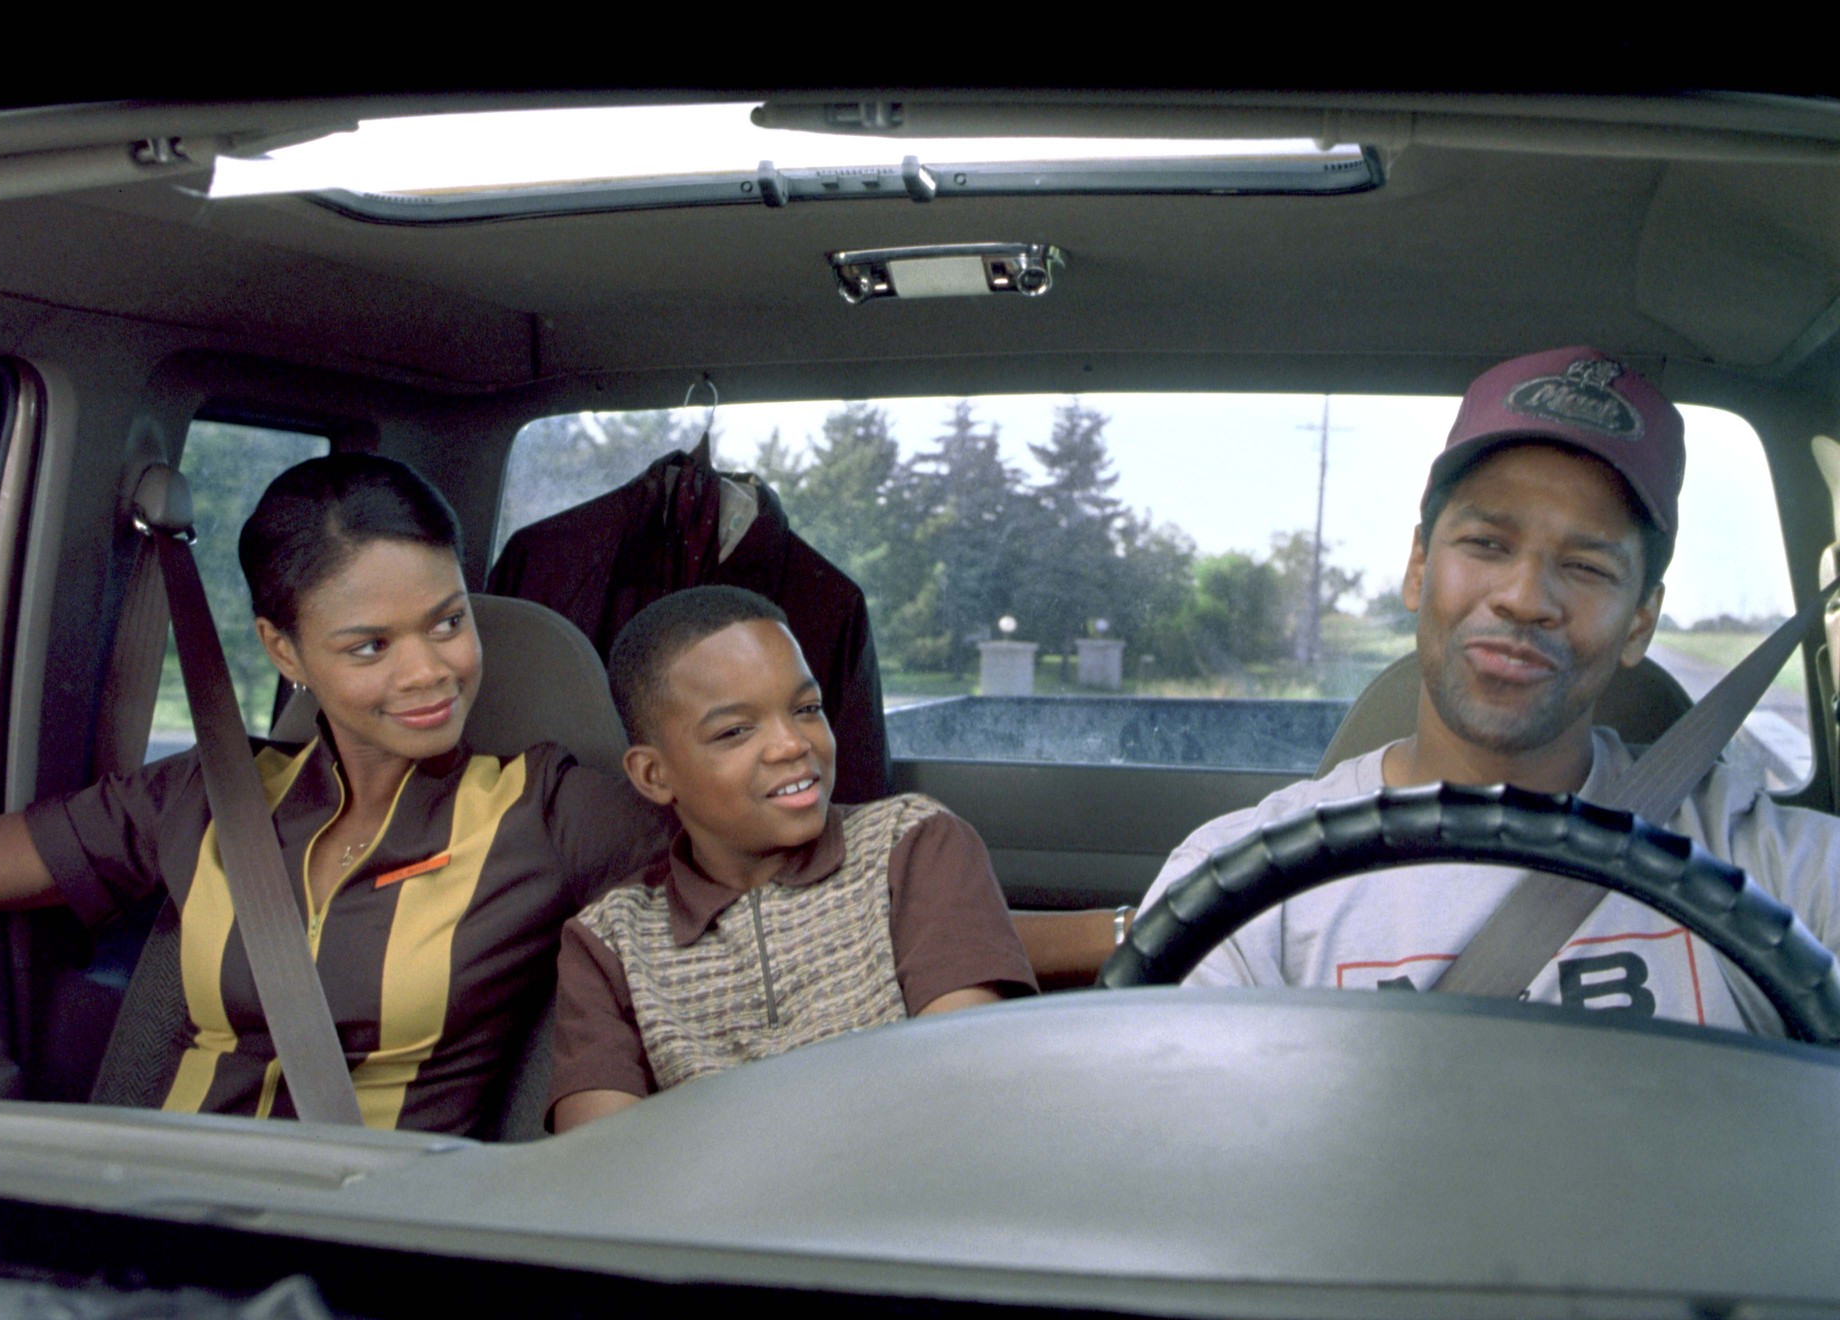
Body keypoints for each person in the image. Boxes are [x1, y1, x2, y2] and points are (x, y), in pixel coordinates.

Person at [0, 454, 669, 1132]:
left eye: (447, 622)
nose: (430, 671)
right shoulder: (209, 797)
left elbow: (774, 857)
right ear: (285, 652)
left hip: (360, 1261)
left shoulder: (547, 810)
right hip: (145, 1225)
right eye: (370, 646)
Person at [1136, 346, 1839, 1034]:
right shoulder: (1244, 884)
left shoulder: (1766, 864)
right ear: (1418, 569)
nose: (1526, 597)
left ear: (1640, 623)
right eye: (1487, 545)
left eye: (1587, 567)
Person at [547, 586, 1038, 1131]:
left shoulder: (913, 844)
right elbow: (602, 1165)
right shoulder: (609, 942)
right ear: (653, 775)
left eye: (806, 709)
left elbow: (962, 1089)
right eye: (735, 731)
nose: (790, 744)